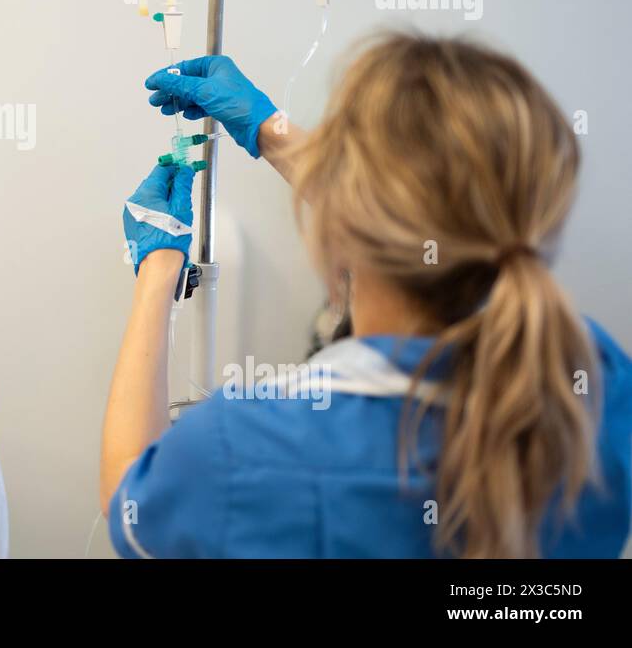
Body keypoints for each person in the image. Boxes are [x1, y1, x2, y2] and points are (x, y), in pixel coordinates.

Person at [102, 32, 631, 558]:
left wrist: (158, 272)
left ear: (336, 233)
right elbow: (435, 224)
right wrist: (270, 128)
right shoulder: (596, 382)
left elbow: (128, 498)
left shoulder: (245, 451)